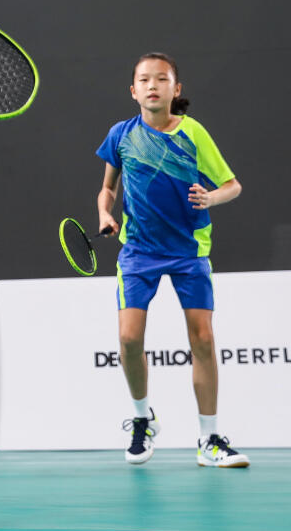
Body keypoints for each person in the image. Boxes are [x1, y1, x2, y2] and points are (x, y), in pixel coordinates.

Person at [96, 52, 248, 468]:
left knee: (202, 338)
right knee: (129, 338)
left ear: (175, 89)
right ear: (133, 90)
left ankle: (209, 438)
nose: (152, 85)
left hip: (188, 251)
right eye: (144, 79)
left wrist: (211, 196)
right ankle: (143, 418)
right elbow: (107, 190)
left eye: (161, 79)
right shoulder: (121, 135)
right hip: (139, 251)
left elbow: (232, 185)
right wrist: (105, 214)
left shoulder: (193, 133)